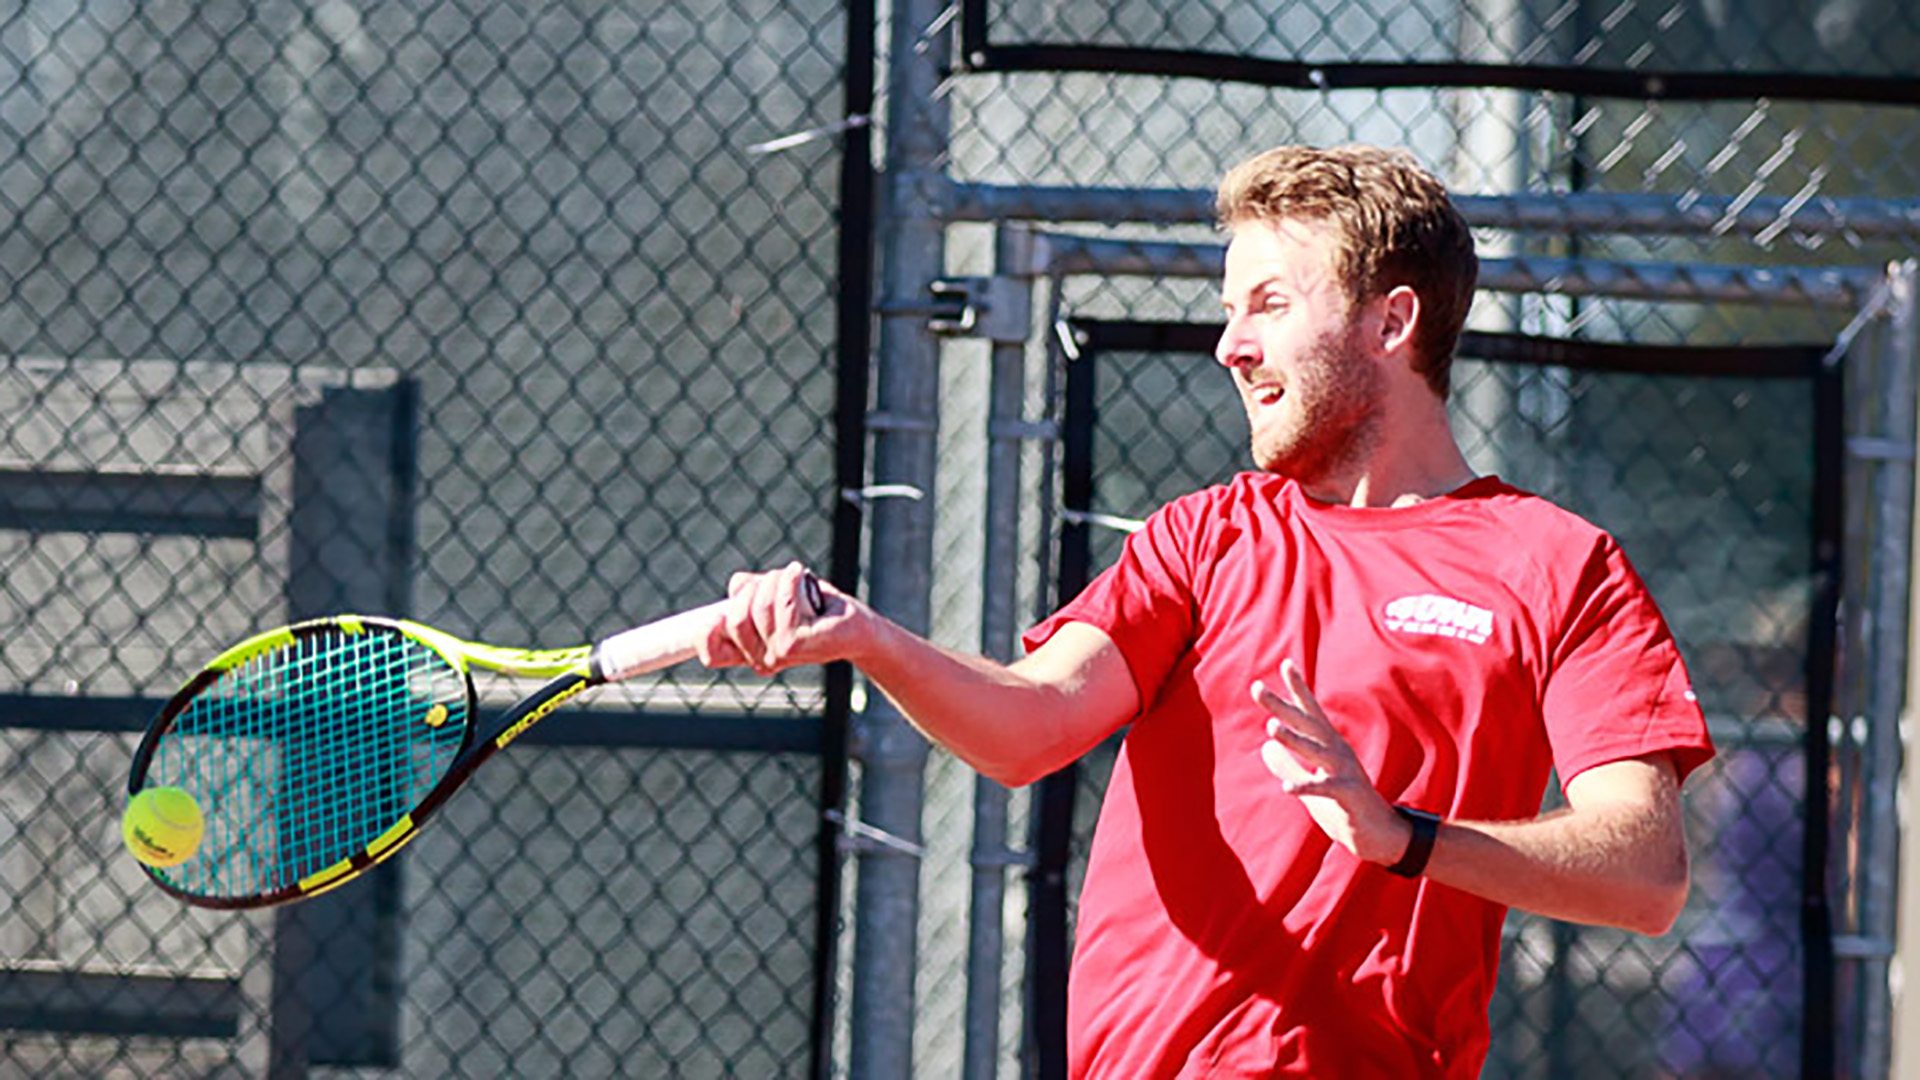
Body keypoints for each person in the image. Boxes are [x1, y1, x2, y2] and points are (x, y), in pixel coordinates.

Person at [698, 144, 1714, 1079]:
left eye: (1268, 304)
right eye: (1230, 309)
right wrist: (865, 637)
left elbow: (1645, 870)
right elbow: (1029, 727)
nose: (1232, 345)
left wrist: (1401, 835)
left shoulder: (1559, 564)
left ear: (1392, 323)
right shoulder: (1203, 536)